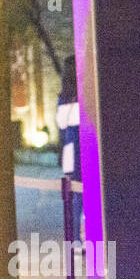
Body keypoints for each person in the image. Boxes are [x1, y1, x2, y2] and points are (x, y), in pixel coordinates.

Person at [55, 55, 82, 241]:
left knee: (75, 199)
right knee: (86, 197)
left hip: (70, 151)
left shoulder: (63, 98)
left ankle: (74, 238)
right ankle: (88, 236)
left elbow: (61, 125)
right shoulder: (87, 95)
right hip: (85, 149)